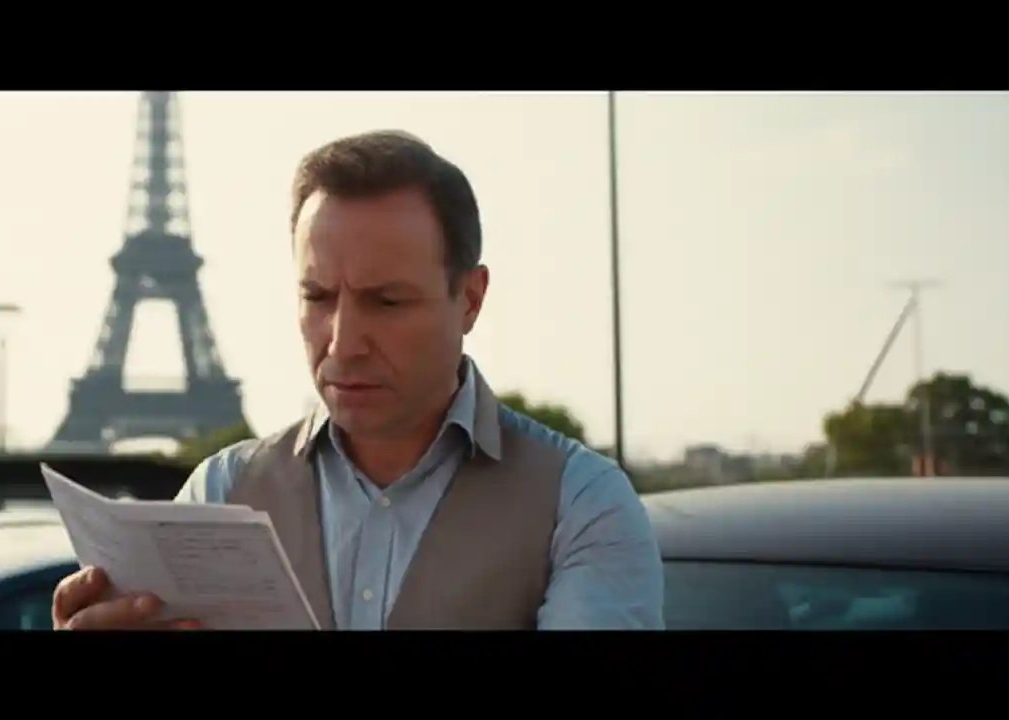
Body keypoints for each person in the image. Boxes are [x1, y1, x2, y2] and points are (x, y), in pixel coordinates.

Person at [52, 129, 665, 631]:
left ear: (470, 300)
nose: (343, 341)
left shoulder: (582, 505)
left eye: (387, 302)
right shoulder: (220, 488)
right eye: (317, 296)